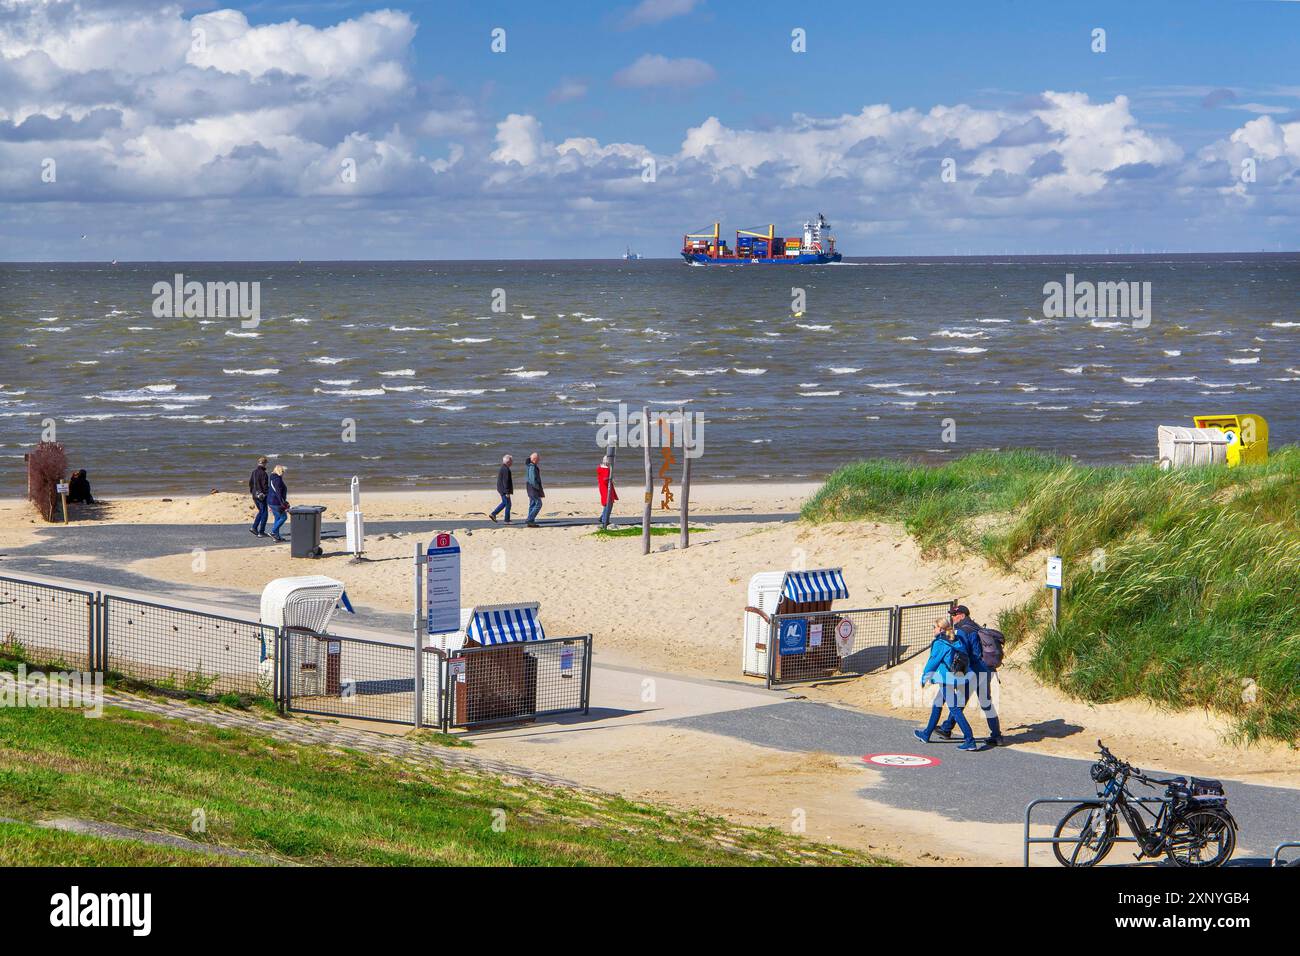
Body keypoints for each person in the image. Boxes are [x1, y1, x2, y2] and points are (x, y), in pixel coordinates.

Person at [935, 604, 1003, 746]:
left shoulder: (961, 630)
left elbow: (963, 652)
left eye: (955, 615)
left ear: (962, 615)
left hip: (974, 671)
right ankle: (997, 736)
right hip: (987, 669)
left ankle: (947, 729)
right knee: (986, 703)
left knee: (960, 700)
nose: (952, 618)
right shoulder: (976, 626)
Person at [914, 613, 979, 751]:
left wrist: (924, 678)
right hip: (958, 676)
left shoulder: (940, 643)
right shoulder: (955, 640)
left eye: (934, 627)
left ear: (941, 629)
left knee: (954, 709)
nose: (933, 629)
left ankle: (970, 740)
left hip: (946, 679)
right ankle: (926, 734)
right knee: (937, 704)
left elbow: (933, 661)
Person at [248, 456, 270, 537]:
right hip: (261, 496)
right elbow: (265, 486)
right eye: (266, 463)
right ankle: (261, 532)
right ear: (264, 464)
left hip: (254, 495)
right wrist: (268, 494)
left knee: (261, 511)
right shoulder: (264, 473)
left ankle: (254, 528)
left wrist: (252, 492)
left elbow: (250, 483)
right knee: (264, 513)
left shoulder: (254, 472)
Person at [268, 464, 290, 542]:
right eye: (283, 471)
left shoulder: (272, 478)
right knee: (284, 517)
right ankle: (273, 532)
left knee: (277, 518)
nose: (284, 473)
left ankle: (277, 537)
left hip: (271, 501)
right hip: (276, 502)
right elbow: (278, 493)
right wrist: (283, 503)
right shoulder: (278, 479)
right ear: (280, 471)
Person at [490, 454, 513, 523]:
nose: (512, 462)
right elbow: (505, 482)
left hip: (501, 489)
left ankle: (494, 514)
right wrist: (507, 492)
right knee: (508, 504)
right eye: (511, 461)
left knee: (505, 503)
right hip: (504, 490)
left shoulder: (503, 467)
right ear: (508, 461)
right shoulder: (506, 469)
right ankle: (506, 520)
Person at [597, 455, 617, 529]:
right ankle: (605, 520)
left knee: (607, 502)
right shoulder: (606, 469)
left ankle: (602, 517)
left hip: (602, 487)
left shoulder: (600, 467)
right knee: (608, 503)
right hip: (606, 488)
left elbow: (602, 478)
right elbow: (605, 480)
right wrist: (610, 478)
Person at [525, 452, 544, 527]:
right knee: (538, 504)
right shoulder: (532, 467)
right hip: (533, 488)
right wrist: (537, 488)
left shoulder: (530, 466)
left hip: (530, 488)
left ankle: (531, 521)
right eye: (538, 459)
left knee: (532, 504)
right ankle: (529, 519)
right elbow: (532, 480)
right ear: (534, 459)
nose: (539, 460)